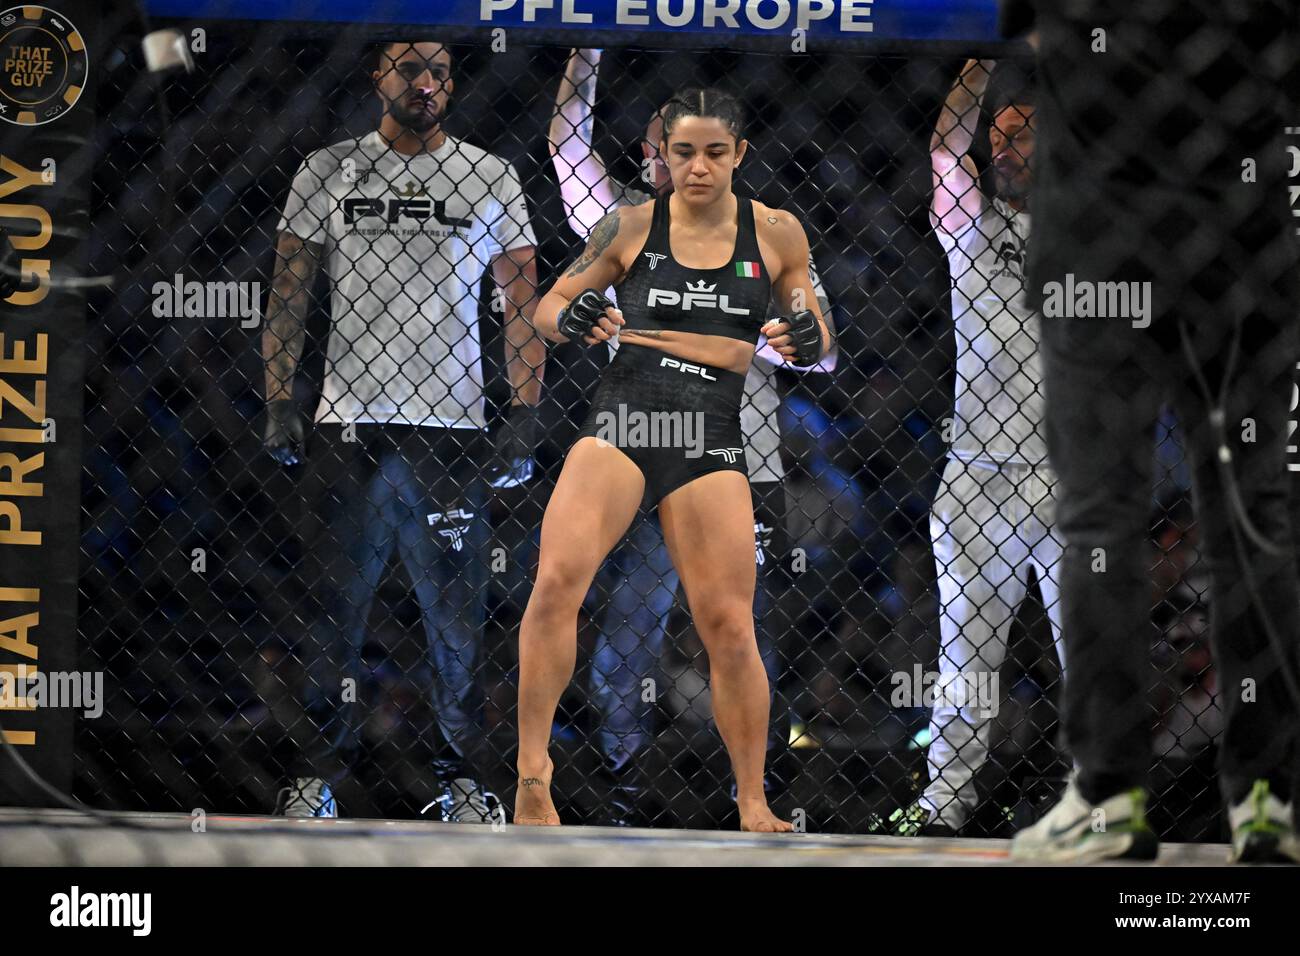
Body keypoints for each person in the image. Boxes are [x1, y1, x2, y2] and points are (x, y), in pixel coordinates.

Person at [1005, 1, 1300, 863]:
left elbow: (1033, 33)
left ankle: (1109, 796)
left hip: (1100, 236)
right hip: (1237, 236)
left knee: (1103, 521)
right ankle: (1269, 799)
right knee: (1254, 520)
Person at [514, 87, 831, 832]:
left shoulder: (778, 232)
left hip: (711, 432)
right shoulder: (627, 224)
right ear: (663, 154)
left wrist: (808, 337)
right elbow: (548, 307)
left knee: (727, 620)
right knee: (557, 581)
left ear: (739, 155)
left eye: (714, 152)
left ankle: (753, 800)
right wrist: (578, 314)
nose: (696, 167)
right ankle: (533, 776)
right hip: (625, 417)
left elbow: (812, 327)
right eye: (683, 151)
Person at [261, 40, 544, 821]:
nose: (427, 84)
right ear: (375, 78)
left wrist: (523, 410)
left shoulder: (489, 175)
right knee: (333, 611)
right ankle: (317, 776)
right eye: (410, 69)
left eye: (442, 73)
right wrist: (279, 394)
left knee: (456, 618)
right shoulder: (328, 167)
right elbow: (290, 282)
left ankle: (460, 781)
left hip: (450, 423)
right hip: (349, 420)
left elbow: (519, 298)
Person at [892, 60, 1063, 837]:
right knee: (965, 663)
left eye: (1025, 135)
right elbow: (941, 153)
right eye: (1000, 134)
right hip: (979, 478)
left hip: (1072, 478)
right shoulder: (972, 227)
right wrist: (976, 65)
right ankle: (943, 808)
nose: (1006, 148)